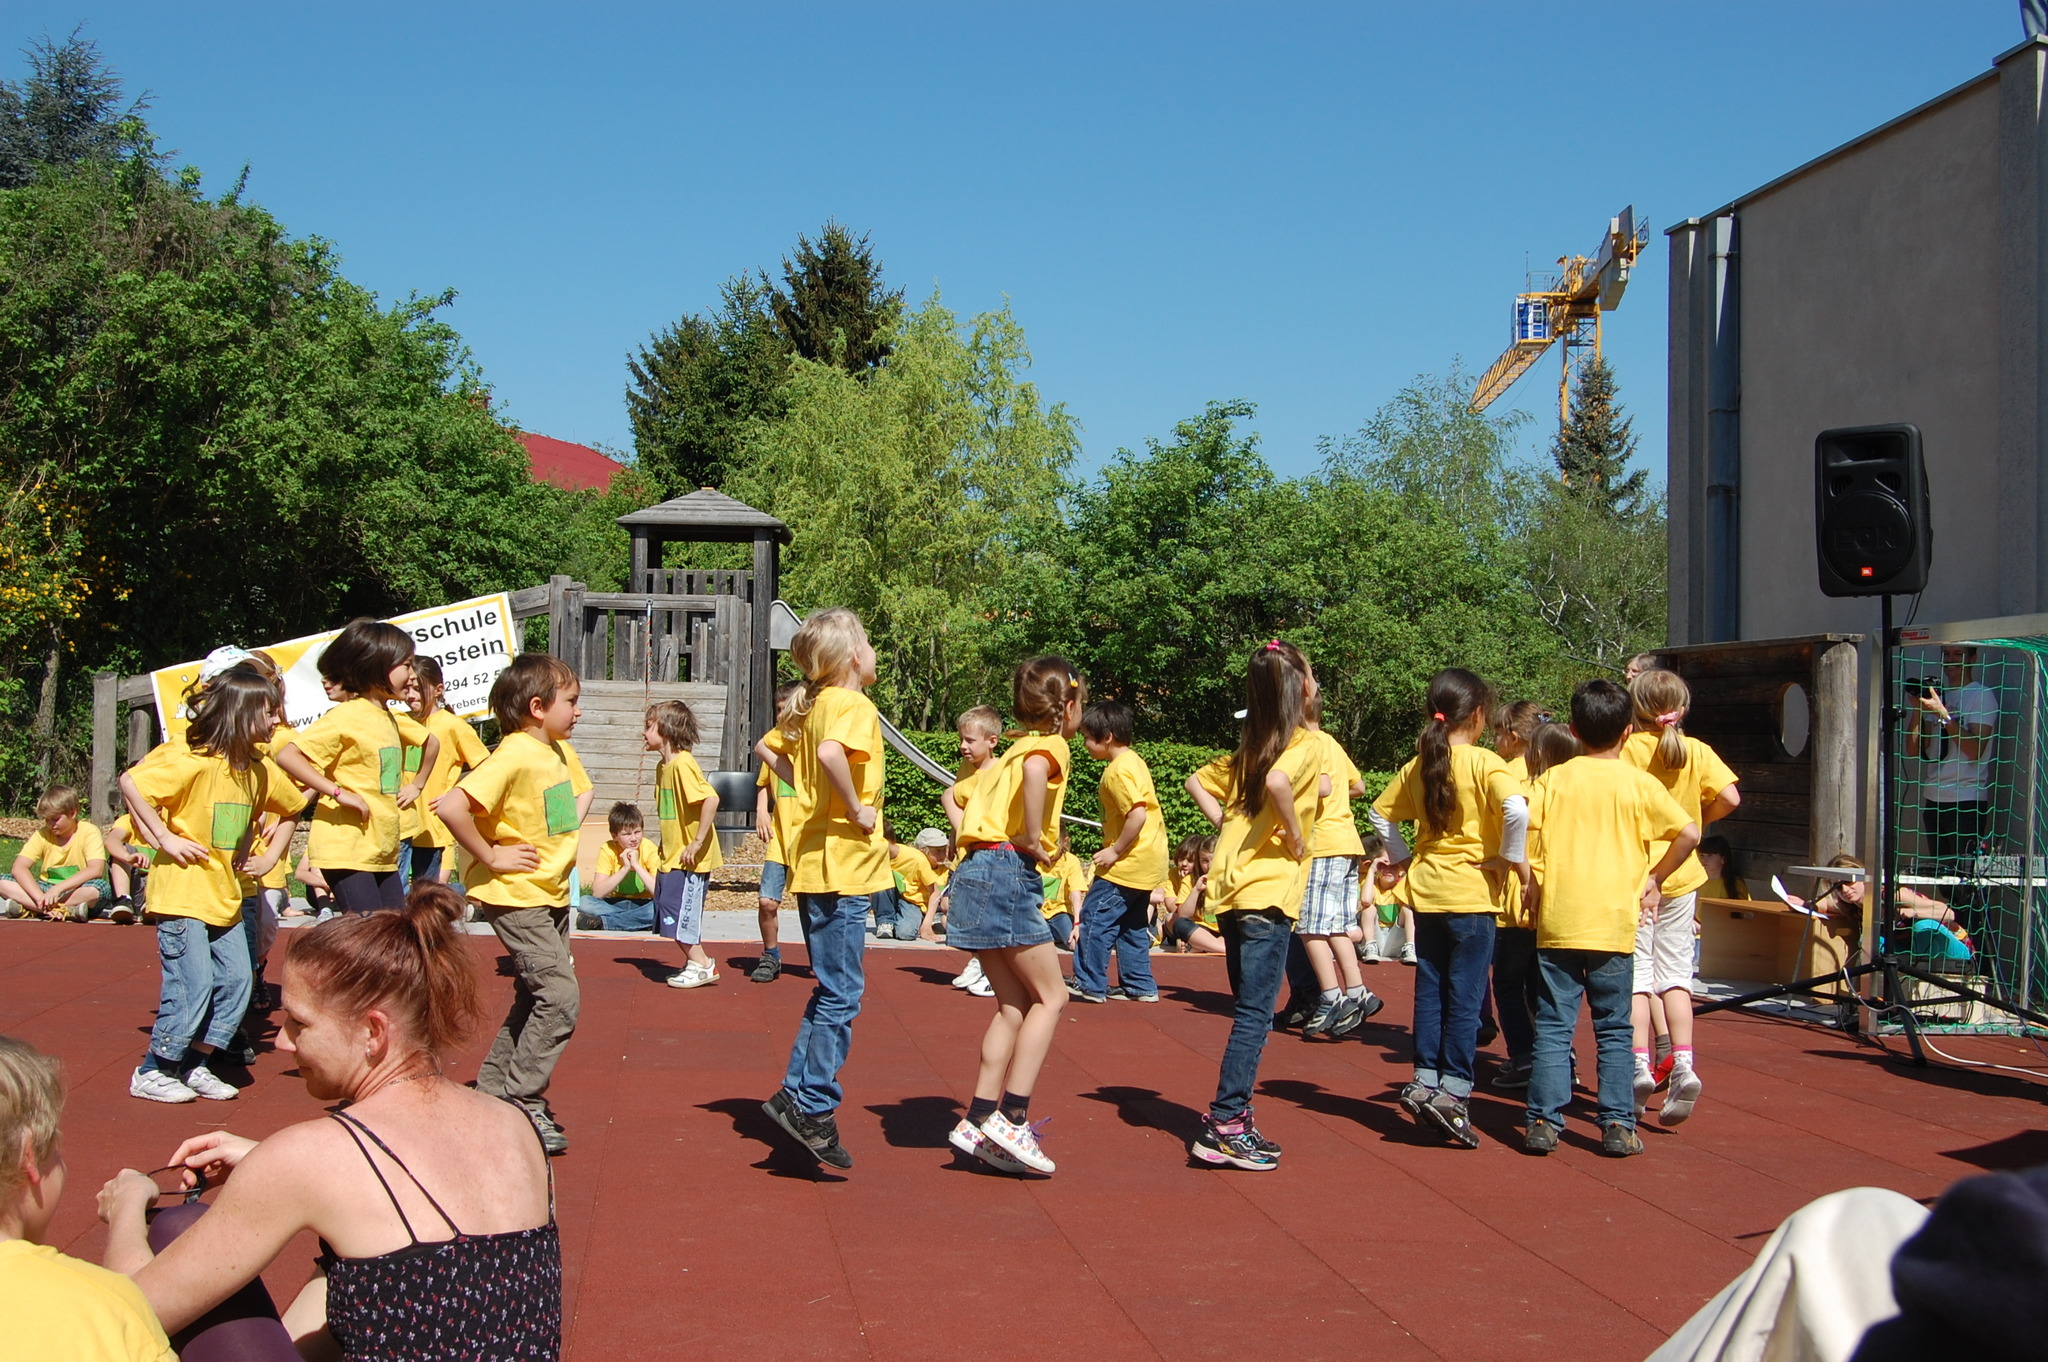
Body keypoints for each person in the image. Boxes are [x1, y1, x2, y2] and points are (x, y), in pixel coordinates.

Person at [94, 884, 562, 1361]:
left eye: (299, 1024)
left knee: (178, 1224)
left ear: (372, 1032)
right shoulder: (517, 1125)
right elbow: (438, 1284)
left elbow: (120, 1321)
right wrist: (267, 1161)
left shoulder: (309, 1157)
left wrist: (127, 1208)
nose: (281, 1042)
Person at [1523, 679, 1698, 1158]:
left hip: (1560, 918)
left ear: (1574, 730)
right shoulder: (1639, 783)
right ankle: (1618, 1123)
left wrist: (1529, 877)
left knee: (1555, 1025)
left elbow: (1519, 819)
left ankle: (1543, 1120)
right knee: (1615, 1027)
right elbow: (1689, 831)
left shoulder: (1554, 780)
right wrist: (1656, 878)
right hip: (1615, 921)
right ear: (1627, 732)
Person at [119, 668, 302, 1106]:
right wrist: (164, 838)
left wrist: (271, 854)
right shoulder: (194, 760)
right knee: (193, 981)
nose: (276, 720)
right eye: (268, 712)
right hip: (183, 892)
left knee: (239, 980)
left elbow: (294, 806)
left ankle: (194, 1063)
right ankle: (154, 1068)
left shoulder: (257, 770)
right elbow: (132, 782)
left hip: (225, 895)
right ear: (240, 714)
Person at [435, 652, 592, 1156]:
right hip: (514, 895)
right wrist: (490, 853)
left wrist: (557, 845)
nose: (579, 712)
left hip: (549, 893)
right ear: (537, 706)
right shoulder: (514, 754)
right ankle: (523, 1098)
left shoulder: (560, 753)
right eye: (572, 702)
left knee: (535, 995)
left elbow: (580, 797)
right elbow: (455, 805)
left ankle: (494, 1089)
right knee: (560, 997)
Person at [1369, 668, 1530, 1149]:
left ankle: (1424, 1077)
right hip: (1473, 895)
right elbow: (1517, 810)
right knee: (1465, 995)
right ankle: (1455, 1090)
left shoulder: (1420, 763)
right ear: (1479, 715)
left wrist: (1400, 855)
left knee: (1431, 989)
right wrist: (1509, 858)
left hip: (1428, 893)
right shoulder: (1484, 763)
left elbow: (1380, 812)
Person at [1181, 640, 1323, 1170]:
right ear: (1303, 689)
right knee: (1255, 1017)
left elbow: (1195, 779)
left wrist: (1229, 825)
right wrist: (1292, 832)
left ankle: (1234, 1117)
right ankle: (1227, 1121)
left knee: (1249, 1011)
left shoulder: (1253, 746)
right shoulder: (1305, 744)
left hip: (1233, 893)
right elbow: (1283, 781)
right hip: (1268, 894)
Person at [757, 608, 890, 1172]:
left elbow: (768, 751)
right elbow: (834, 755)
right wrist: (856, 807)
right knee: (842, 994)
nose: (873, 652)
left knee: (829, 988)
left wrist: (808, 789)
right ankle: (812, 1103)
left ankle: (796, 1092)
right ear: (853, 657)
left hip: (815, 862)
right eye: (868, 643)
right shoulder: (853, 705)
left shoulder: (810, 708)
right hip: (843, 866)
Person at [943, 657, 1085, 1176]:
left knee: (1012, 1005)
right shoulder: (1048, 747)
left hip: (976, 867)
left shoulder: (1002, 757)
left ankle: (978, 1115)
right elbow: (1033, 774)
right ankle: (1013, 1116)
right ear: (1066, 708)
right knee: (1053, 996)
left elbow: (955, 795)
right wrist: (1029, 835)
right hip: (1008, 866)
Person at [0, 1035, 175, 1362]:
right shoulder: (103, 1306)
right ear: (29, 1159)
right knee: (182, 1225)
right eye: (54, 1151)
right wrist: (128, 1211)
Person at [1624, 668, 1741, 1127]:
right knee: (1674, 976)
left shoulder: (1629, 751)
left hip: (1636, 874)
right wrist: (1698, 820)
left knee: (1635, 977)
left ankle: (1637, 1061)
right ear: (1683, 708)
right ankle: (1685, 1062)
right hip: (1682, 871)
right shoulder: (1696, 751)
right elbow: (1730, 797)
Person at [275, 620, 439, 914]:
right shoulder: (347, 716)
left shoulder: (388, 716)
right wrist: (338, 793)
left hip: (380, 848)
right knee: (373, 940)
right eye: (406, 665)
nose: (413, 676)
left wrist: (417, 785)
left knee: (395, 935)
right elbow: (289, 756)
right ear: (376, 667)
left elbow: (432, 743)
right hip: (347, 849)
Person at [1294, 694, 1381, 1038]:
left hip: (1322, 843)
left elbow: (1314, 786)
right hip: (1346, 841)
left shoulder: (1303, 744)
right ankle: (1358, 990)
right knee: (1336, 924)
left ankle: (1332, 996)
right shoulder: (1331, 741)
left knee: (1309, 926)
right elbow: (1357, 785)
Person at [1071, 700, 1166, 1004]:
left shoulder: (1117, 771)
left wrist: (1115, 850)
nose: (1084, 743)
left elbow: (1136, 814)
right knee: (1132, 924)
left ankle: (1089, 982)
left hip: (1128, 863)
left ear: (1107, 736)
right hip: (1148, 860)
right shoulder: (1134, 761)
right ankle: (1139, 985)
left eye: (1087, 737)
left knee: (1096, 917)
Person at [1904, 645, 1999, 931]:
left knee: (1968, 887)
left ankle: (1980, 962)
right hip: (1934, 798)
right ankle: (1959, 953)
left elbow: (1975, 750)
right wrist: (1920, 711)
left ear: (1972, 658)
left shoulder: (1981, 695)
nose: (1951, 661)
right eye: (1946, 655)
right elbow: (1912, 750)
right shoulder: (1938, 696)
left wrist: (1944, 716)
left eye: (1958, 655)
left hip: (1966, 800)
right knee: (1946, 885)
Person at [646, 700, 723, 989]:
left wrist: (696, 842)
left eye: (649, 726)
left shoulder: (683, 764)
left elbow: (710, 799)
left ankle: (703, 963)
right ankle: (695, 961)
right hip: (672, 855)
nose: (644, 733)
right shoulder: (662, 767)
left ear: (665, 730)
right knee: (665, 906)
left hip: (691, 858)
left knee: (681, 911)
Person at [406, 654, 489, 888]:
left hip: (431, 830)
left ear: (438, 690)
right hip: (400, 827)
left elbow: (487, 768)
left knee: (424, 898)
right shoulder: (401, 722)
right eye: (407, 688)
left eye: (417, 688)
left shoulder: (454, 726)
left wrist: (457, 794)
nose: (411, 695)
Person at [943, 705, 1003, 994]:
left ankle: (993, 972)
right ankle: (979, 961)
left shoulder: (1000, 770)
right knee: (971, 911)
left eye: (969, 740)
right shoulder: (966, 769)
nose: (962, 746)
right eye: (961, 739)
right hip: (970, 848)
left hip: (991, 848)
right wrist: (954, 839)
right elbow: (958, 800)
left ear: (991, 741)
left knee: (989, 913)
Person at [750, 681, 803, 982]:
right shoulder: (774, 744)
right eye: (779, 710)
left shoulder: (808, 745)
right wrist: (761, 811)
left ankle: (821, 960)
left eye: (788, 709)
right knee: (767, 901)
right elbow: (762, 784)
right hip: (781, 840)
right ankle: (770, 955)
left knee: (813, 909)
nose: (782, 715)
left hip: (806, 841)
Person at [1, 785, 109, 922]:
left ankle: (32, 908)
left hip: (76, 888)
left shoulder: (89, 832)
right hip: (45, 889)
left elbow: (96, 869)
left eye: (55, 819)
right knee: (2, 881)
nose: (51, 824)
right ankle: (60, 909)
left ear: (72, 813)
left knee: (98, 889)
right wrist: (40, 897)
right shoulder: (42, 835)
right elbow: (19, 868)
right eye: (47, 820)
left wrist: (58, 889)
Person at [576, 802, 657, 932]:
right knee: (584, 902)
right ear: (614, 836)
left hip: (643, 903)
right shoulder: (608, 849)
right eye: (626, 834)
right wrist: (625, 868)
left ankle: (604, 922)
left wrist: (636, 865)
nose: (634, 839)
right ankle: (638, 922)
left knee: (660, 907)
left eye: (637, 832)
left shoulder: (650, 849)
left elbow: (659, 892)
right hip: (615, 903)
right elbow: (598, 892)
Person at [1163, 835, 1225, 954]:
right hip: (1201, 929)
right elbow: (1183, 915)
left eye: (1214, 860)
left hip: (1225, 929)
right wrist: (1196, 890)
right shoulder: (1190, 880)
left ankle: (1201, 946)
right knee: (1179, 923)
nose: (1210, 866)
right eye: (1205, 861)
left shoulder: (1230, 879)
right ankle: (1221, 948)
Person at [885, 828, 949, 941]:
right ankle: (890, 922)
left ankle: (923, 923)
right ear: (923, 851)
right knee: (906, 933)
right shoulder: (916, 860)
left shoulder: (945, 871)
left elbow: (939, 895)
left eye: (944, 850)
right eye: (938, 851)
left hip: (923, 906)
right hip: (908, 900)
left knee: (906, 932)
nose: (942, 854)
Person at [104, 812, 150, 924]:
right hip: (133, 883)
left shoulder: (168, 823)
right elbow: (111, 841)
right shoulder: (126, 821)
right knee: (122, 849)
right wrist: (127, 857)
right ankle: (123, 900)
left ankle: (151, 905)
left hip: (154, 886)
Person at [1696, 835, 1750, 900]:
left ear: (1723, 859)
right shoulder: (1696, 882)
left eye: (1710, 855)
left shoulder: (1736, 884)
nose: (1704, 860)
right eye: (1701, 855)